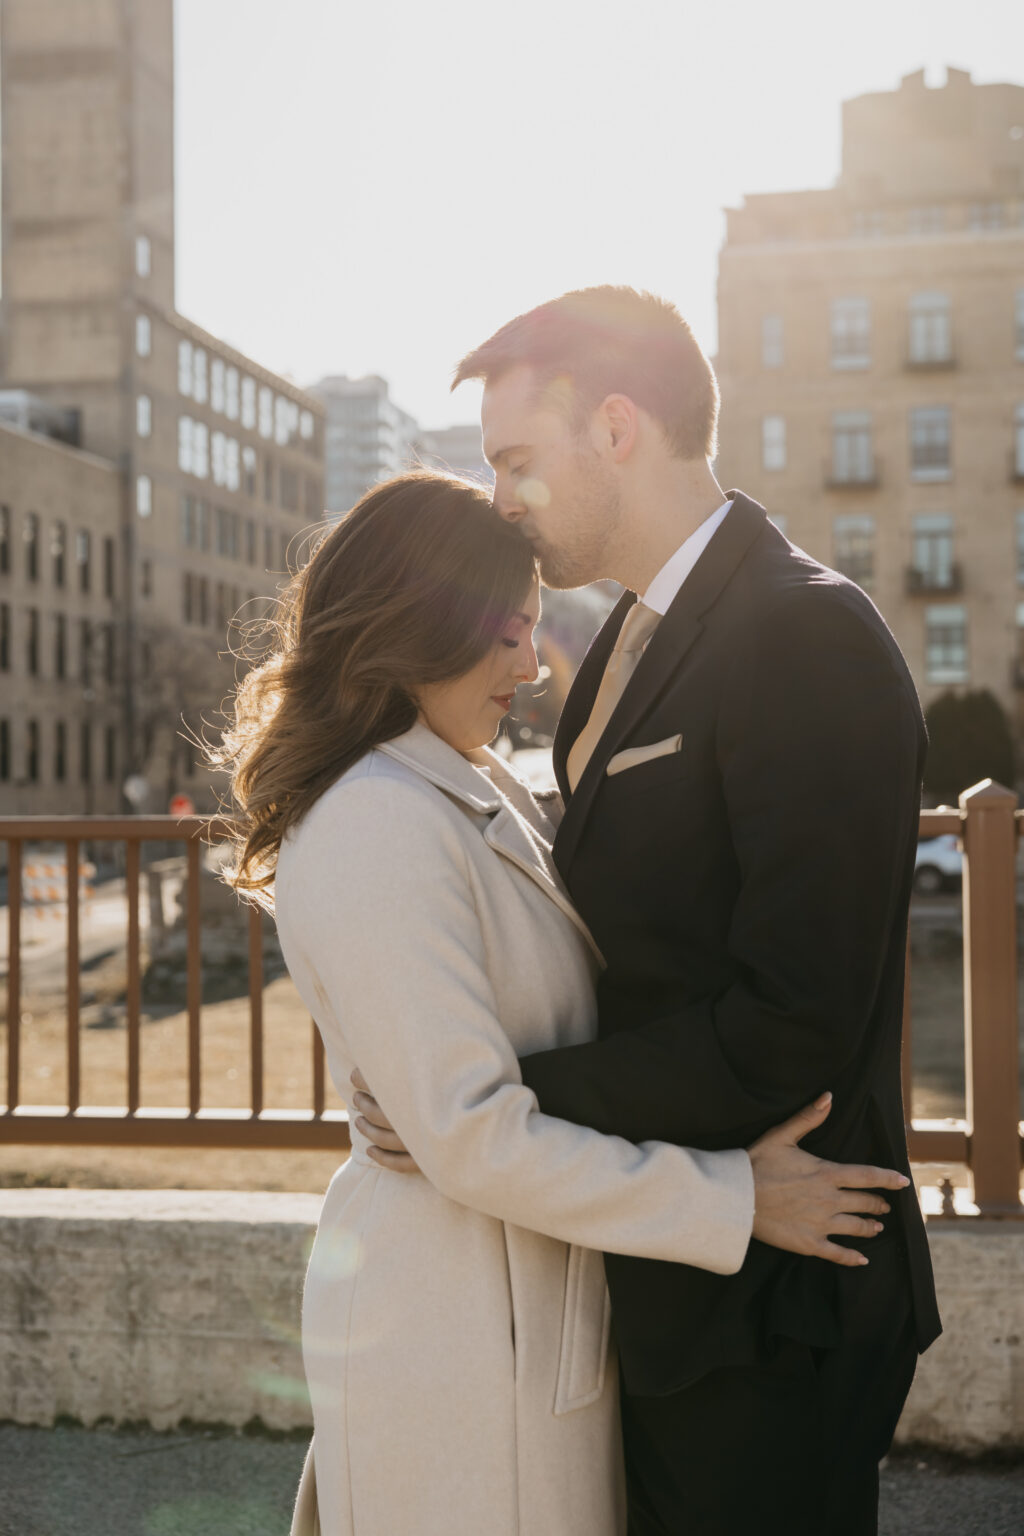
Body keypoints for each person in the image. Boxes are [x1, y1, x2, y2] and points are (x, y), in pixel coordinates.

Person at [212, 470, 909, 1536]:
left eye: (533, 633)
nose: (531, 668)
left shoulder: (465, 783)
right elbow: (470, 1137)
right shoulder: (371, 823)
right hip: (455, 1329)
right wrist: (735, 1199)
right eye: (504, 636)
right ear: (413, 625)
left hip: (525, 1309)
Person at [355, 289, 941, 1535]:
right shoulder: (616, 646)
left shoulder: (805, 634)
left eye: (515, 461)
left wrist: (502, 1098)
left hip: (780, 1299)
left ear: (614, 425)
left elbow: (791, 1018)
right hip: (670, 1280)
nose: (500, 499)